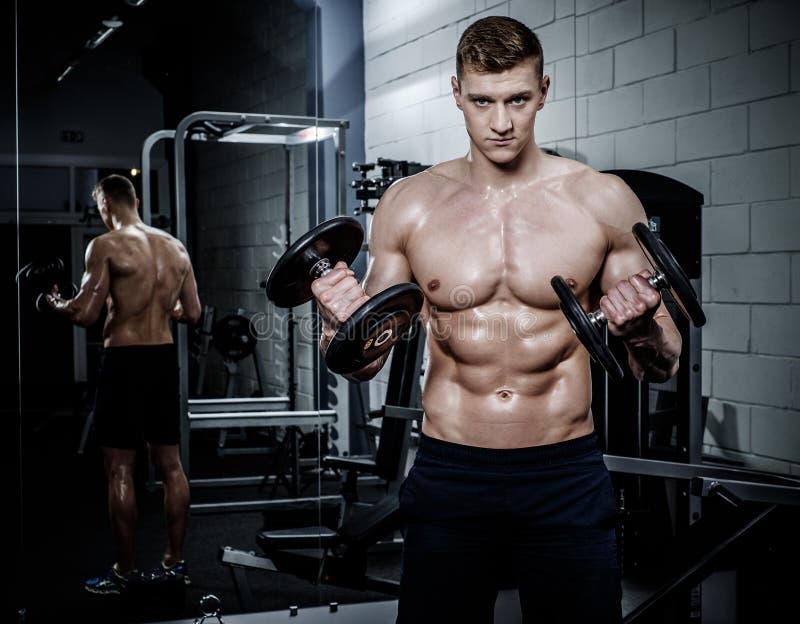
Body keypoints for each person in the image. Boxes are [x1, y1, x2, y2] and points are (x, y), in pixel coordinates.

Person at [310, 16, 682, 624]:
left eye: (518, 100)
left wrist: (640, 328)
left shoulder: (601, 199)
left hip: (564, 472)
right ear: (456, 93)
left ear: (544, 91)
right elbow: (364, 363)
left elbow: (661, 366)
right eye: (483, 101)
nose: (501, 122)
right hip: (451, 471)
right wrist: (335, 323)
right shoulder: (411, 204)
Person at [46, 174, 202, 595]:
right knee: (171, 466)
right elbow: (193, 312)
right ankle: (174, 562)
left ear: (105, 204)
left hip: (125, 360)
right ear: (135, 200)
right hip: (163, 359)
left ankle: (125, 572)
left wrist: (54, 302)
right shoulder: (175, 247)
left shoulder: (105, 245)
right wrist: (160, 307)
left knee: (120, 468)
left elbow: (85, 314)